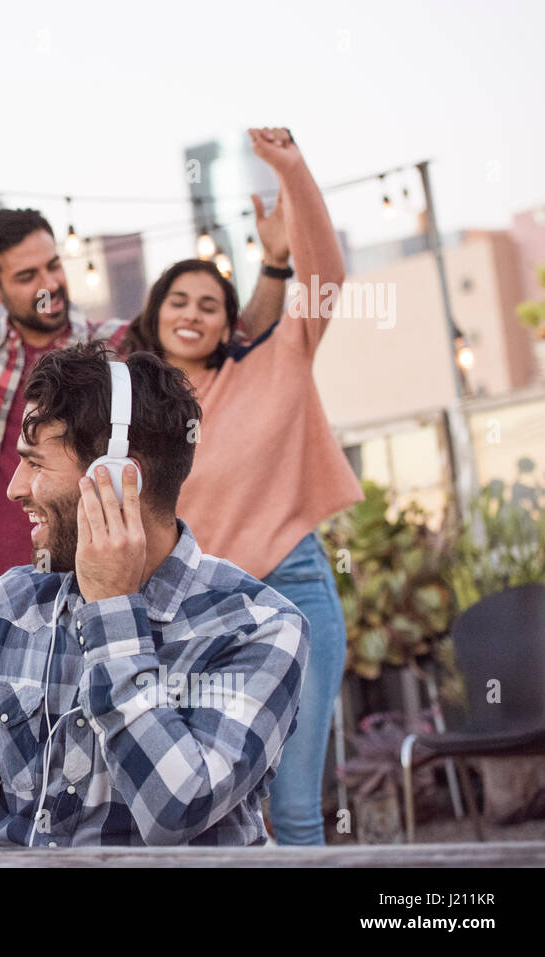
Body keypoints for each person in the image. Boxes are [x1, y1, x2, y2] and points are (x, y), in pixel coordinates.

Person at [0, 343, 309, 846]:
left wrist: (113, 612)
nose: (15, 488)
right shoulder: (7, 606)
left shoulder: (257, 626)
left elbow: (178, 809)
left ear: (117, 478)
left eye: (35, 464)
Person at [0, 202, 291, 623]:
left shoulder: (120, 349)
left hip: (99, 572)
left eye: (53, 266)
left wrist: (273, 264)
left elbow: (229, 337)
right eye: (26, 276)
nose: (50, 284)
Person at [111, 127, 363, 845]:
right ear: (155, 314)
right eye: (178, 301)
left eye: (209, 304)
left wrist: (292, 168)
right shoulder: (130, 411)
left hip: (295, 588)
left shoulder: (275, 359)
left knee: (292, 810)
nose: (192, 312)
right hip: (192, 613)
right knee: (209, 810)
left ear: (231, 322)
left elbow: (325, 281)